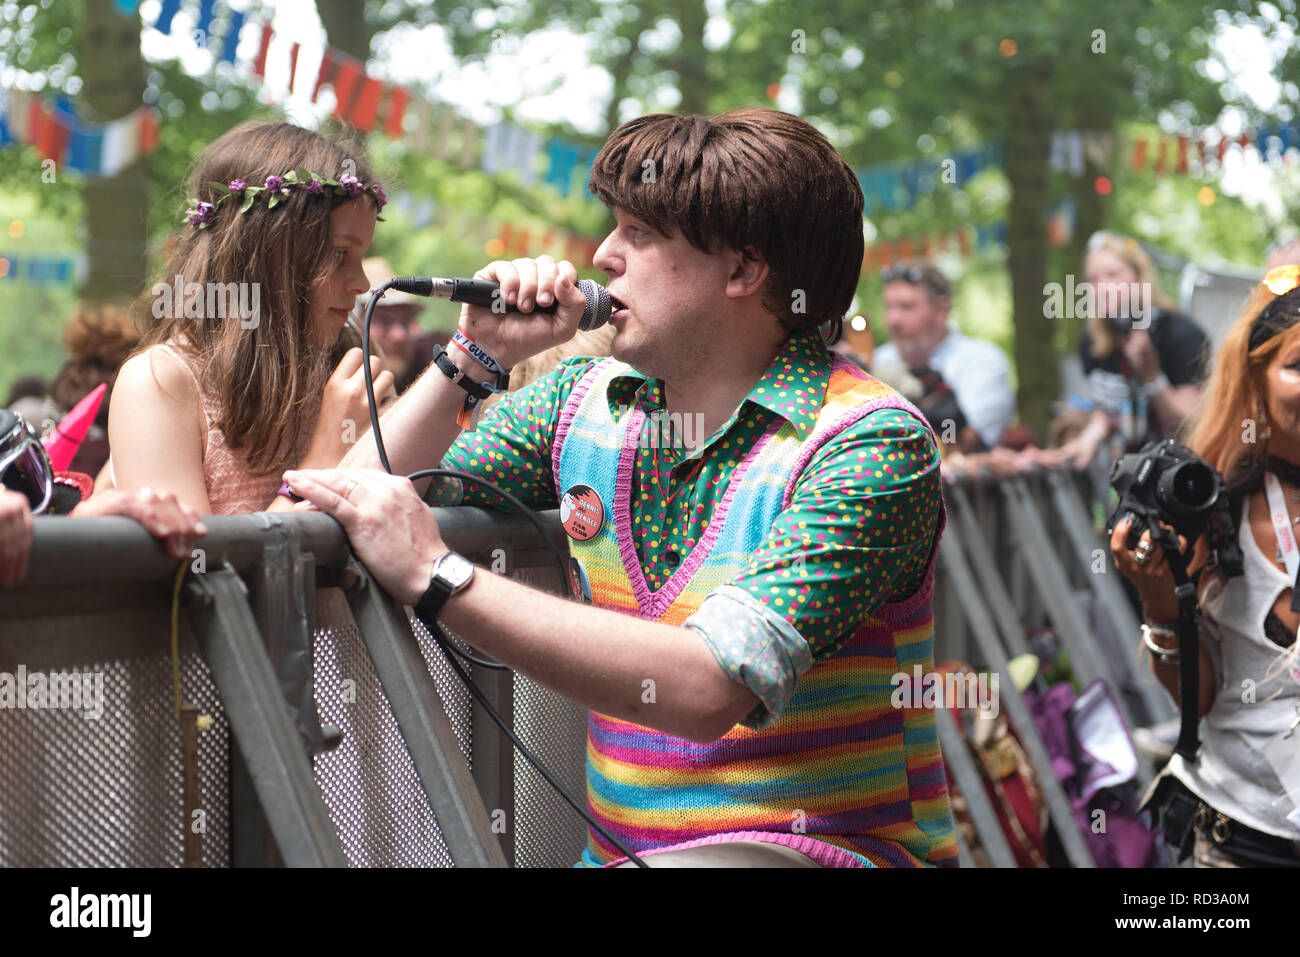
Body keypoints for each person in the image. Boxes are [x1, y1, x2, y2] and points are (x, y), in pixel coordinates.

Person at [285, 108, 958, 868]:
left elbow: (709, 688)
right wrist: (474, 354)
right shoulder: (583, 398)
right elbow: (347, 507)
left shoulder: (871, 441)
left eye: (638, 233)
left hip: (832, 853)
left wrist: (438, 576)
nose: (602, 256)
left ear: (742, 270)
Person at [1110, 264, 1300, 868]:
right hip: (1239, 838)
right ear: (1257, 378)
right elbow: (1198, 702)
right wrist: (1161, 601)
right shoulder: (1209, 507)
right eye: (1298, 366)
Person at [106, 121, 396, 515]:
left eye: (360, 257)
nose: (361, 283)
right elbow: (193, 573)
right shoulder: (161, 383)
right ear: (263, 252)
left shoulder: (347, 362)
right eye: (337, 253)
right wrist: (324, 459)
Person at [1049, 232, 1207, 469]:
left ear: (1139, 278)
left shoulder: (1179, 334)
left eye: (1113, 275)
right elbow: (1109, 408)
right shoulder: (1093, 342)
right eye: (1093, 279)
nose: (1102, 287)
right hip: (1122, 472)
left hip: (1178, 471)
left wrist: (1152, 376)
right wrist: (1087, 439)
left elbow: (1192, 423)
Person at [869, 261, 1014, 453]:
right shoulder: (876, 360)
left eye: (906, 307)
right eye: (889, 307)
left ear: (941, 310)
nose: (893, 320)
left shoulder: (981, 360)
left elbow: (968, 442)